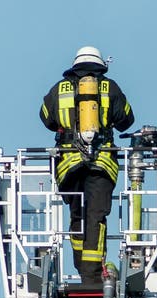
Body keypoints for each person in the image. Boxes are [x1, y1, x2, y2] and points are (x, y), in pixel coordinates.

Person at [40, 46, 135, 285]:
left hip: (68, 165)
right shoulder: (110, 87)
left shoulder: (58, 89)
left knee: (77, 215)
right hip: (102, 164)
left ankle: (83, 269)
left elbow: (46, 118)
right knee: (96, 216)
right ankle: (92, 274)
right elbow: (126, 120)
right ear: (101, 65)